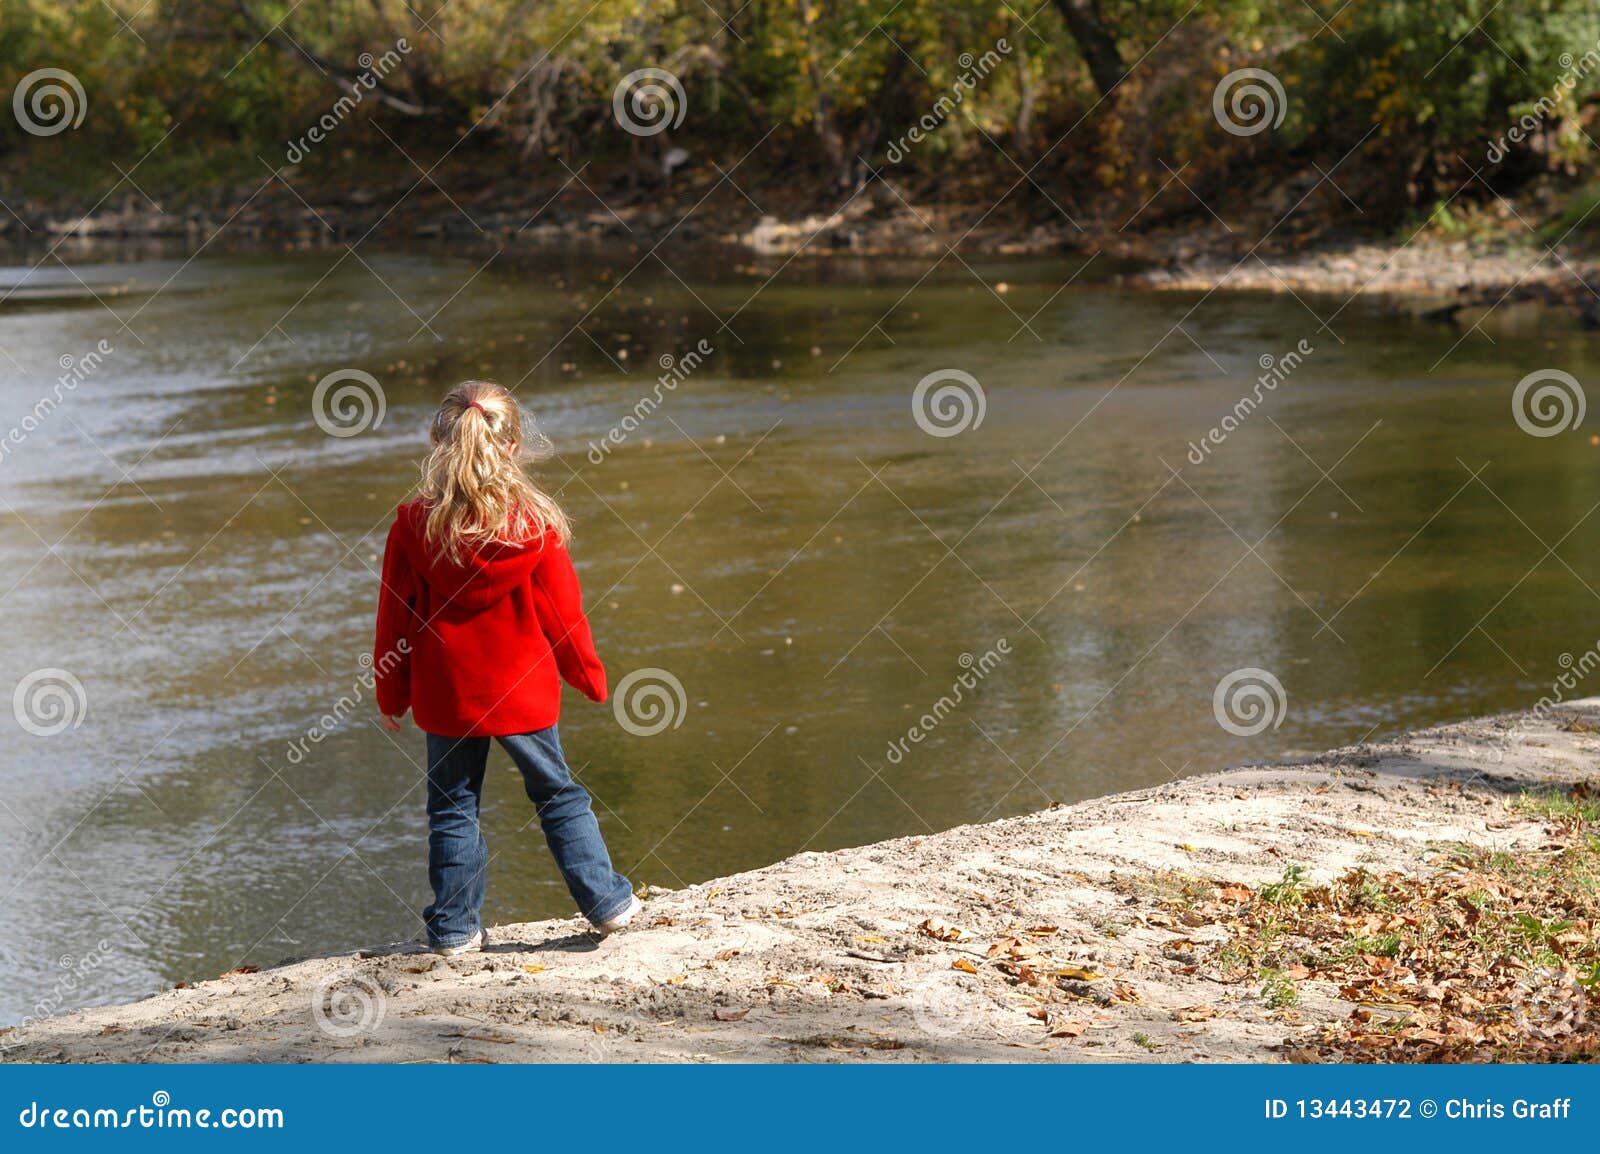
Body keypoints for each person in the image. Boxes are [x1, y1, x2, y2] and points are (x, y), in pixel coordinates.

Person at [372, 380, 639, 954]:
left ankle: (454, 929)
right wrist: (588, 675)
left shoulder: (413, 527)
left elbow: (394, 620)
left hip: (448, 693)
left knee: (452, 807)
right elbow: (564, 617)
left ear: (436, 443)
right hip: (523, 691)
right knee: (558, 795)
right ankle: (606, 902)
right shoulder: (534, 526)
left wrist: (391, 694)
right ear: (514, 444)